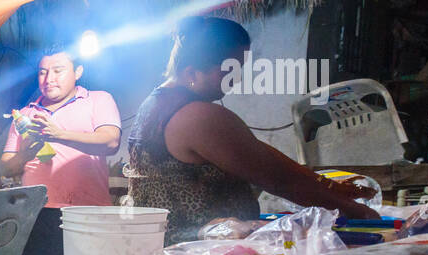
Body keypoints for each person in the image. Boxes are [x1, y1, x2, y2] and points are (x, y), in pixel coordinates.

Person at [126, 16, 376, 243]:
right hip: (198, 251)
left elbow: (264, 158)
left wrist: (330, 186)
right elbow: (278, 179)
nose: (237, 78)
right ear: (192, 72)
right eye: (228, 70)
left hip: (167, 244)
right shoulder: (197, 116)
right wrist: (357, 211)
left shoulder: (156, 104)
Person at [0, 45, 122, 255]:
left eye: (58, 71)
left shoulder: (97, 100)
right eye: (43, 72)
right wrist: (25, 154)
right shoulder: (26, 113)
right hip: (35, 215)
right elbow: (5, 167)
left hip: (87, 214)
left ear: (78, 72)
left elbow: (110, 142)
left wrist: (58, 134)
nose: (49, 79)